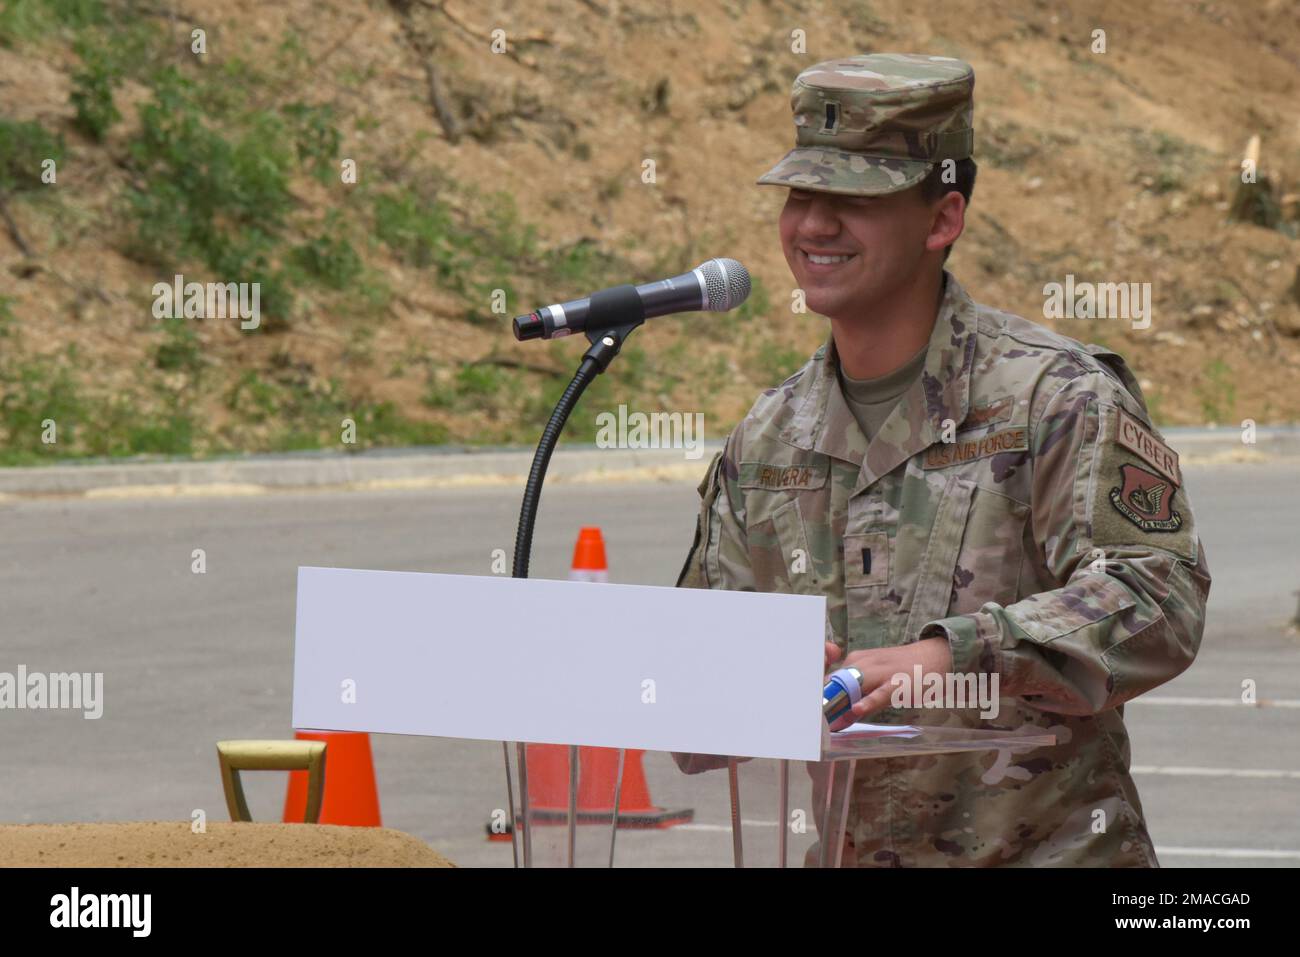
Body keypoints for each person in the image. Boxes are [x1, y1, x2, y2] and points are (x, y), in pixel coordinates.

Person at [673, 53, 1211, 867]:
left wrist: (954, 655)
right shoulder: (769, 436)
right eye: (801, 195)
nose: (813, 225)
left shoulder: (1053, 396)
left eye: (852, 199)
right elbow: (695, 683)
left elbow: (1159, 598)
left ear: (941, 219)